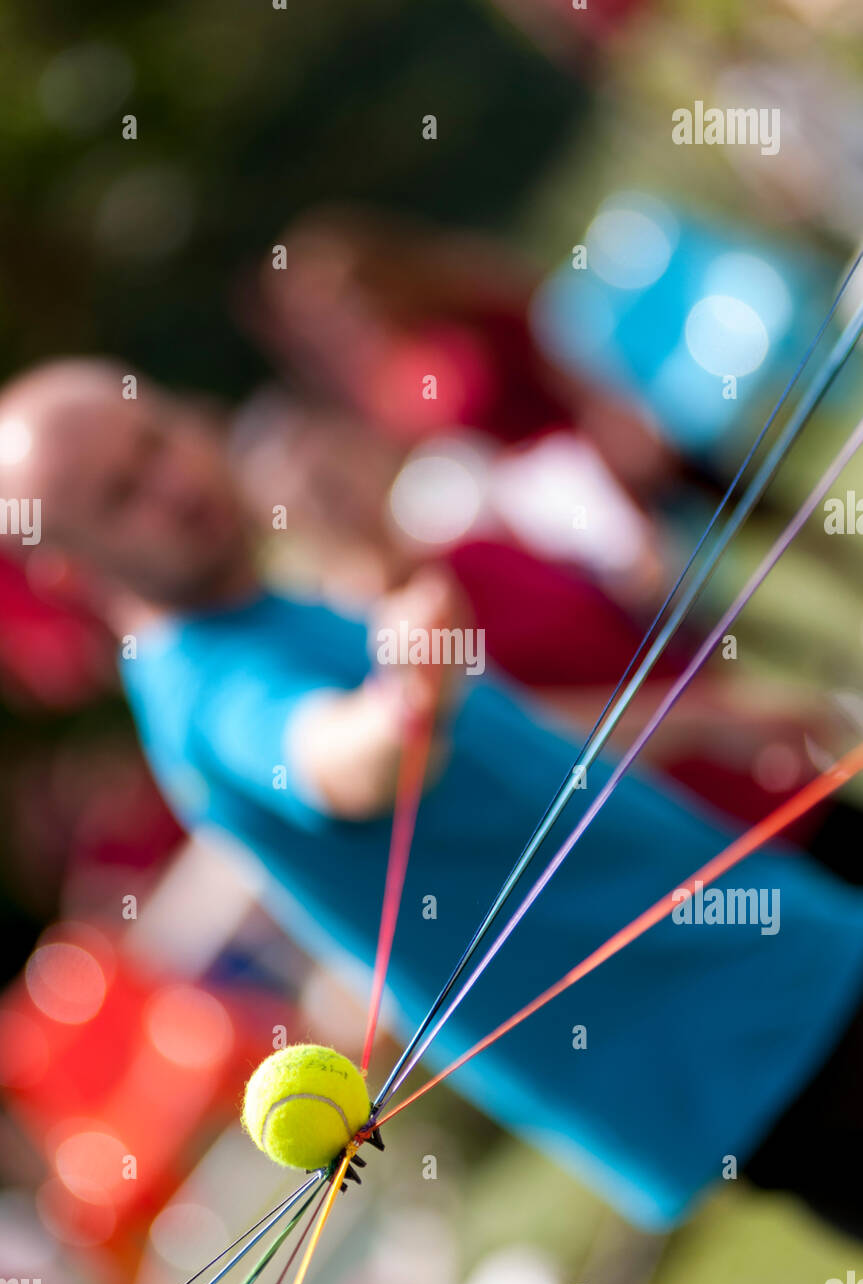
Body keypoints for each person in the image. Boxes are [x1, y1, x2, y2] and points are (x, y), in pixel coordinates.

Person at [4, 355, 863, 1235]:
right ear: (70, 574)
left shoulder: (268, 611)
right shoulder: (207, 689)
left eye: (155, 442)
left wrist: (696, 724)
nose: (174, 484)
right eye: (119, 496)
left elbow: (493, 750)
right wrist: (404, 696)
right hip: (732, 1034)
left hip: (755, 966)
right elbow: (340, 759)